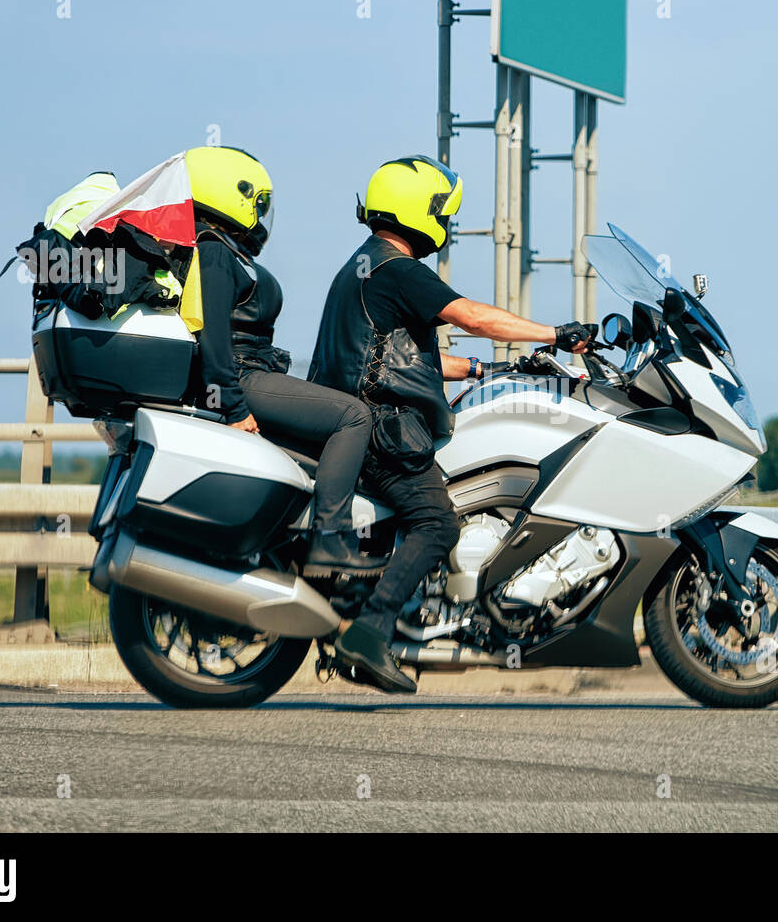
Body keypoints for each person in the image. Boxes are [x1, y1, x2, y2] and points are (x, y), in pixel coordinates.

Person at [308, 154, 595, 693]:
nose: (448, 223)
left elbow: (397, 355)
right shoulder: (399, 269)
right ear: (421, 211)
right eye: (443, 211)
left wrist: (485, 369)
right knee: (438, 524)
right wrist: (557, 334)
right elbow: (474, 318)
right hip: (380, 431)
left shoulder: (363, 264)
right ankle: (370, 633)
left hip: (356, 418)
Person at [185, 145, 378, 575]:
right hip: (241, 376)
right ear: (232, 194)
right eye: (259, 203)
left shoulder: (220, 249)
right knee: (354, 417)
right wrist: (232, 408)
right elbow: (213, 335)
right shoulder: (214, 251)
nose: (262, 214)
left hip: (248, 374)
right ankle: (330, 540)